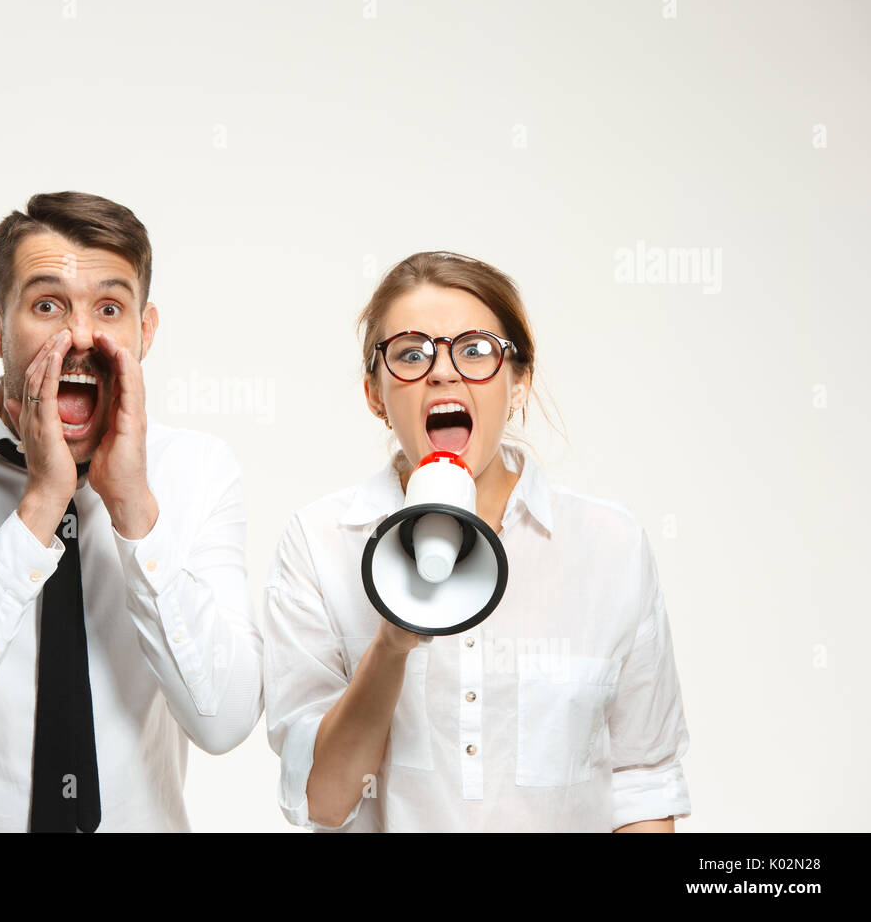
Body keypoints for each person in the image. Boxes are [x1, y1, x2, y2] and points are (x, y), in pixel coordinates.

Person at [0, 191, 263, 831]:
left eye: (109, 308)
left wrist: (134, 509)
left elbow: (224, 721)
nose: (82, 335)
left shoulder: (200, 471)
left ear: (144, 332)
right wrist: (42, 503)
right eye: (47, 305)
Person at [262, 250, 691, 832]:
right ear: (375, 394)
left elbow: (642, 783)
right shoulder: (319, 542)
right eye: (411, 354)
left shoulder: (611, 545)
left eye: (475, 350)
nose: (443, 372)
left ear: (518, 385)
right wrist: (390, 646)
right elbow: (324, 801)